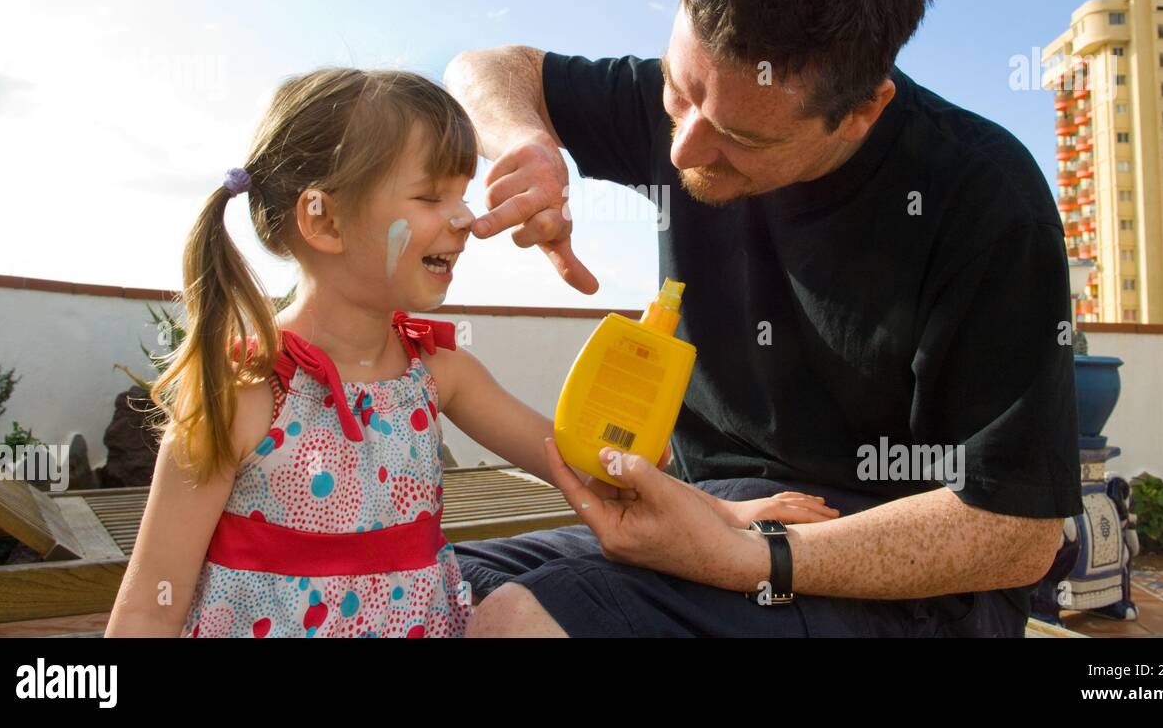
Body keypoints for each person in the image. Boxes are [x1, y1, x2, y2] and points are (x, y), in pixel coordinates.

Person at [445, 0, 1085, 637]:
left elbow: (1016, 533)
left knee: (518, 623)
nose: (684, 148)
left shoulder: (984, 194)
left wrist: (755, 556)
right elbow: (486, 68)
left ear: (860, 112)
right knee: (437, 588)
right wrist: (527, 140)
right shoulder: (711, 100)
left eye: (742, 140)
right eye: (680, 94)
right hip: (711, 511)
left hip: (894, 575)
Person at [104, 68, 831, 638]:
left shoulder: (438, 373)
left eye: (461, 192)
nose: (464, 218)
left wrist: (723, 516)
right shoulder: (246, 391)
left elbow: (581, 456)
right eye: (429, 196)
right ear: (321, 221)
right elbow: (148, 608)